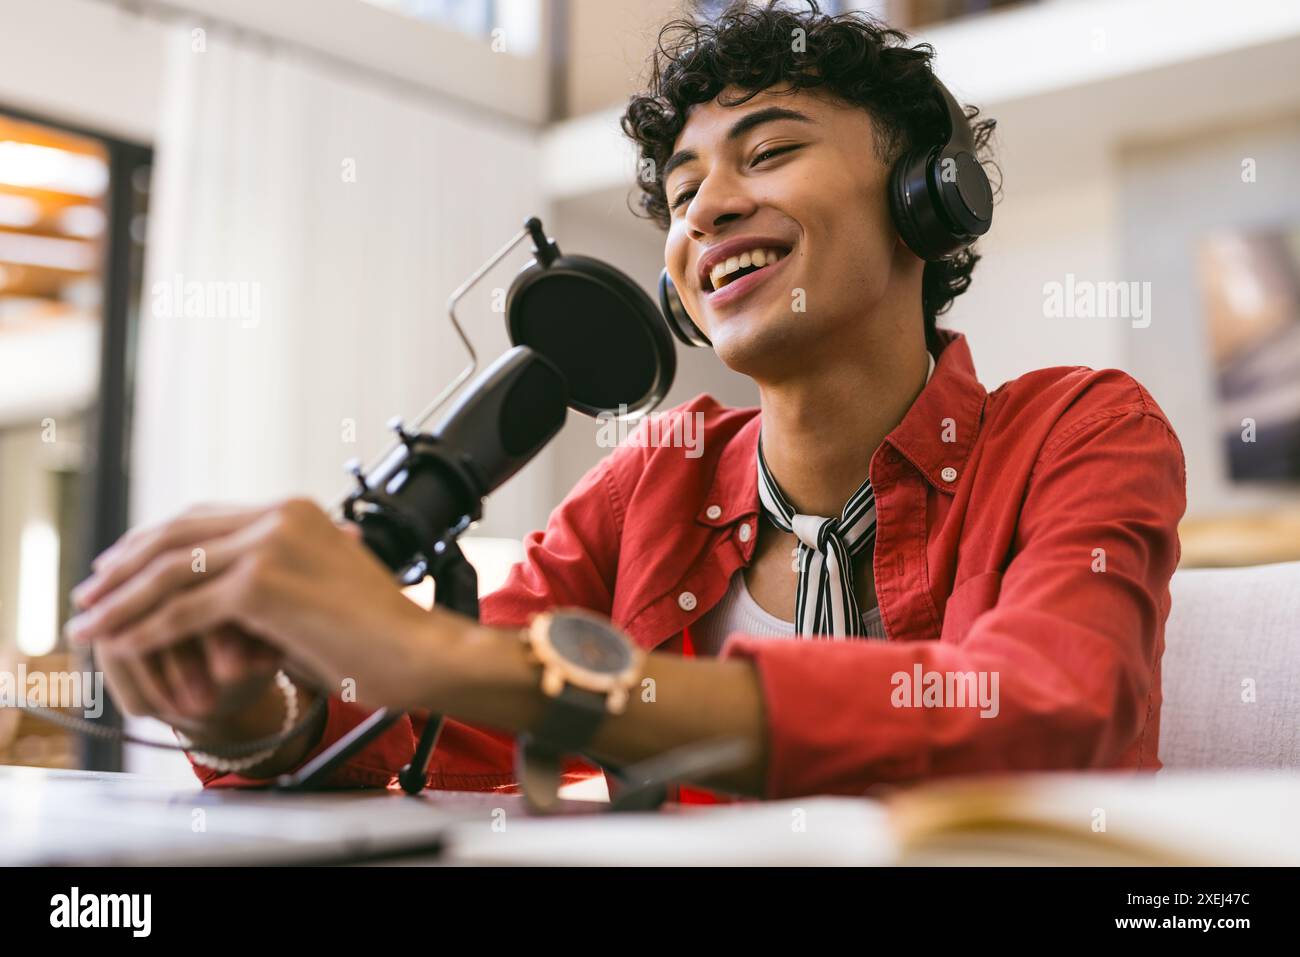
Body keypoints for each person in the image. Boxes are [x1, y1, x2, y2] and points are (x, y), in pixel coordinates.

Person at [66, 1, 1185, 802]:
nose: (705, 212)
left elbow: (1046, 712)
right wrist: (253, 714)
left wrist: (475, 664)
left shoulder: (1080, 428)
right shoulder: (655, 479)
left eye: (770, 152)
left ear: (924, 200)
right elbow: (426, 735)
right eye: (685, 193)